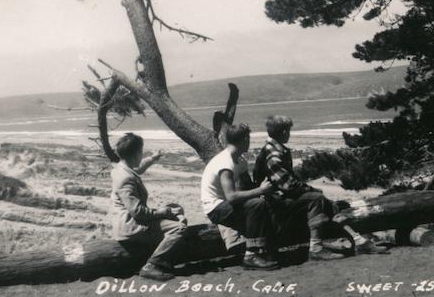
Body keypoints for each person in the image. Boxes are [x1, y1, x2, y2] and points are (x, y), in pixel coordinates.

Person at [253, 116, 388, 261]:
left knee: (324, 200)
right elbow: (288, 186)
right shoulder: (273, 155)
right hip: (275, 203)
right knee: (316, 199)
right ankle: (316, 248)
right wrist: (312, 191)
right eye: (289, 130)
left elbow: (289, 184)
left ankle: (359, 241)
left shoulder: (275, 149)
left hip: (280, 197)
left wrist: (310, 190)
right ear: (284, 132)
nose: (289, 134)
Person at [201, 123, 280, 270]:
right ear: (244, 139)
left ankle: (264, 249)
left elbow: (249, 187)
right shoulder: (225, 162)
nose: (249, 142)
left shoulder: (240, 160)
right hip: (215, 208)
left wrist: (263, 190)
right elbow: (231, 196)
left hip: (225, 204)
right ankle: (251, 255)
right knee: (257, 204)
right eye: (248, 138)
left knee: (265, 203)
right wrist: (261, 190)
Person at [110, 133, 187, 281]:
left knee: (175, 209)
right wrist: (162, 212)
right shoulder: (125, 178)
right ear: (136, 153)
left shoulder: (121, 168)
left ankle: (162, 255)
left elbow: (137, 169)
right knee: (179, 227)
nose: (142, 154)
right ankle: (152, 265)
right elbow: (138, 212)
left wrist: (153, 158)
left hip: (128, 220)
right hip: (131, 226)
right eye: (141, 151)